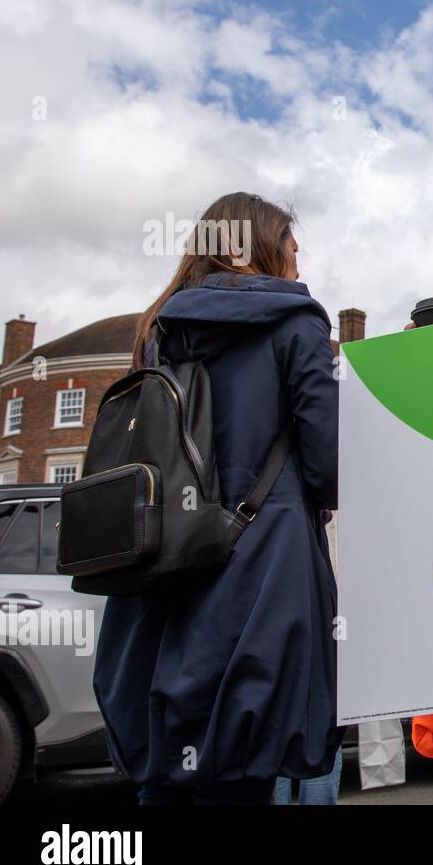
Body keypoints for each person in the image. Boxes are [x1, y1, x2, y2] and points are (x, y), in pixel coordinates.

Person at [93, 192, 340, 804]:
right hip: (262, 565)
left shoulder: (161, 328)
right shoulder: (299, 322)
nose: (299, 263)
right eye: (291, 247)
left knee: (171, 770)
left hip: (164, 567)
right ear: (260, 247)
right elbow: (330, 463)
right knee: (244, 768)